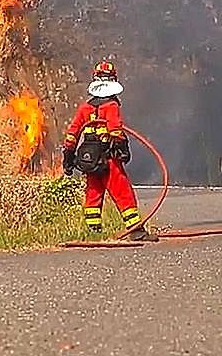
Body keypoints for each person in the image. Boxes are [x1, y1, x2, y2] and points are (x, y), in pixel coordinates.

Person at [61, 60, 157, 242]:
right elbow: (115, 130)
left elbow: (72, 133)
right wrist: (123, 148)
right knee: (122, 191)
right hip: (108, 158)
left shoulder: (86, 107)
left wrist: (68, 157)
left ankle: (93, 230)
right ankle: (136, 230)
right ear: (113, 80)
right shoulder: (111, 106)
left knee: (93, 191)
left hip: (89, 159)